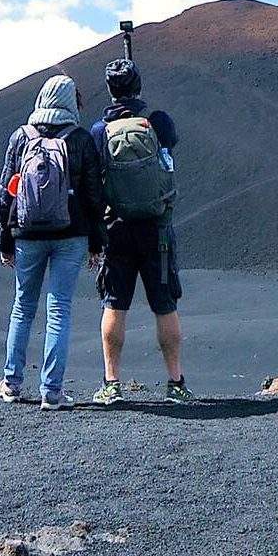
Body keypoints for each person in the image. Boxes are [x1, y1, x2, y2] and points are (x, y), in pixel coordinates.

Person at [0, 74, 106, 409]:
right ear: (70, 102)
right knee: (59, 310)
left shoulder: (21, 138)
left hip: (27, 234)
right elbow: (94, 196)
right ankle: (52, 391)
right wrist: (97, 243)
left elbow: (5, 191)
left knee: (23, 306)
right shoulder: (80, 140)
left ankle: (11, 383)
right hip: (71, 235)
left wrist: (4, 238)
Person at [89, 57, 193, 404]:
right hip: (157, 229)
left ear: (109, 89)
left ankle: (111, 383)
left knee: (114, 304)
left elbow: (94, 176)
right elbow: (171, 146)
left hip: (116, 228)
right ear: (138, 86)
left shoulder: (99, 131)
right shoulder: (157, 122)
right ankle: (176, 382)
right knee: (165, 305)